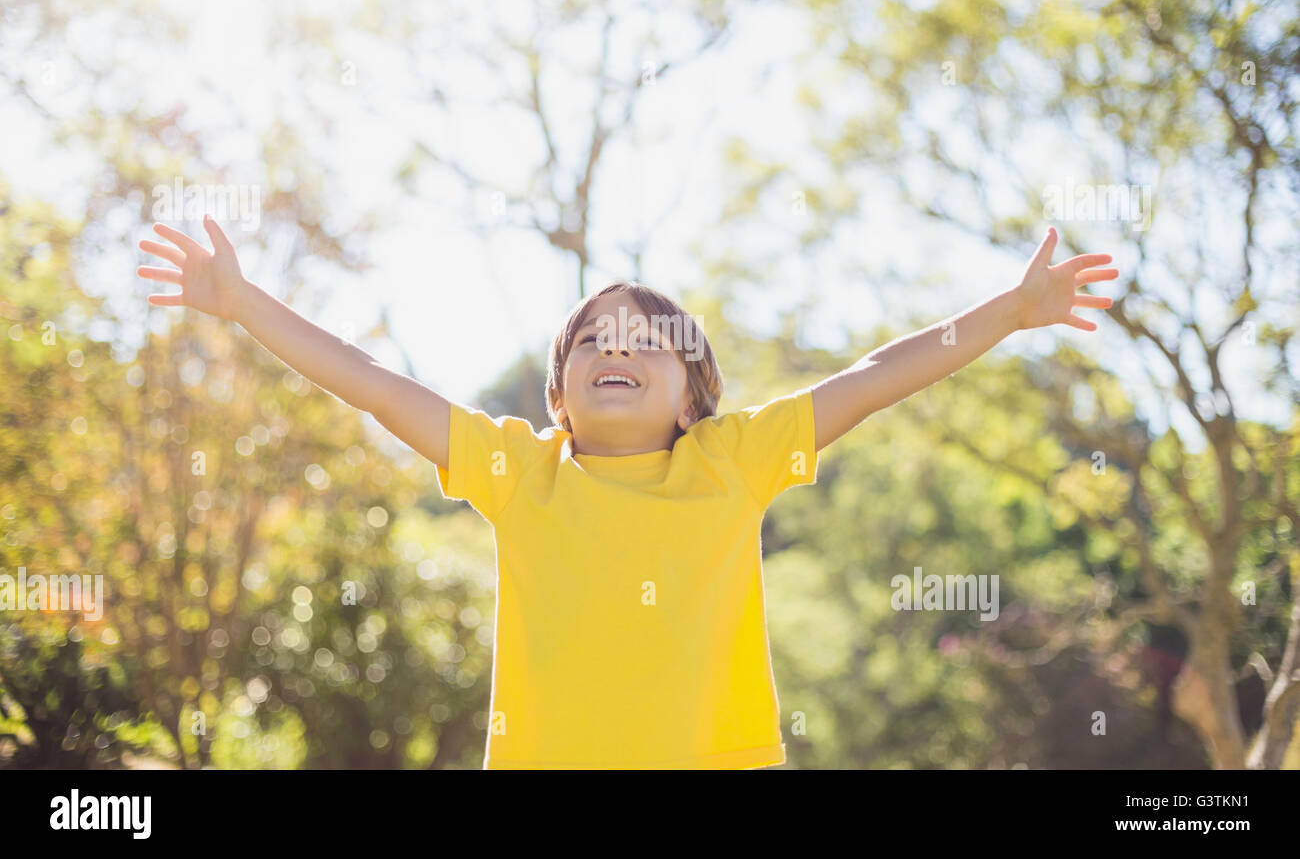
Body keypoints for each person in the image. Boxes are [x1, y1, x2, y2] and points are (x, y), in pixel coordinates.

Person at [138, 214, 1117, 768]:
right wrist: (241, 301)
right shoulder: (519, 473)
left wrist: (1014, 309)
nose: (620, 346)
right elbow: (374, 381)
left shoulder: (729, 460)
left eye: (652, 343)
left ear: (698, 396)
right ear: (557, 394)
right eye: (595, 340)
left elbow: (875, 370)